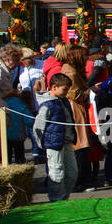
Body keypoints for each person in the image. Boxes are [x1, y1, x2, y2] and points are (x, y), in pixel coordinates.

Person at [33, 73, 77, 201]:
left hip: (67, 141)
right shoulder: (47, 105)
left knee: (72, 173)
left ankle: (64, 197)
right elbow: (38, 126)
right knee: (57, 173)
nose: (66, 92)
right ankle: (56, 199)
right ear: (54, 87)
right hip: (54, 143)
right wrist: (41, 144)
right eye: (64, 89)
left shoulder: (64, 101)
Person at [60, 46, 95, 191]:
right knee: (80, 144)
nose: (86, 59)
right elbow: (76, 94)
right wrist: (91, 90)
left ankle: (83, 178)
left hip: (77, 108)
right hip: (75, 110)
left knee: (82, 145)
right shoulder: (71, 72)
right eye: (84, 56)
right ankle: (78, 180)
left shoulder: (71, 69)